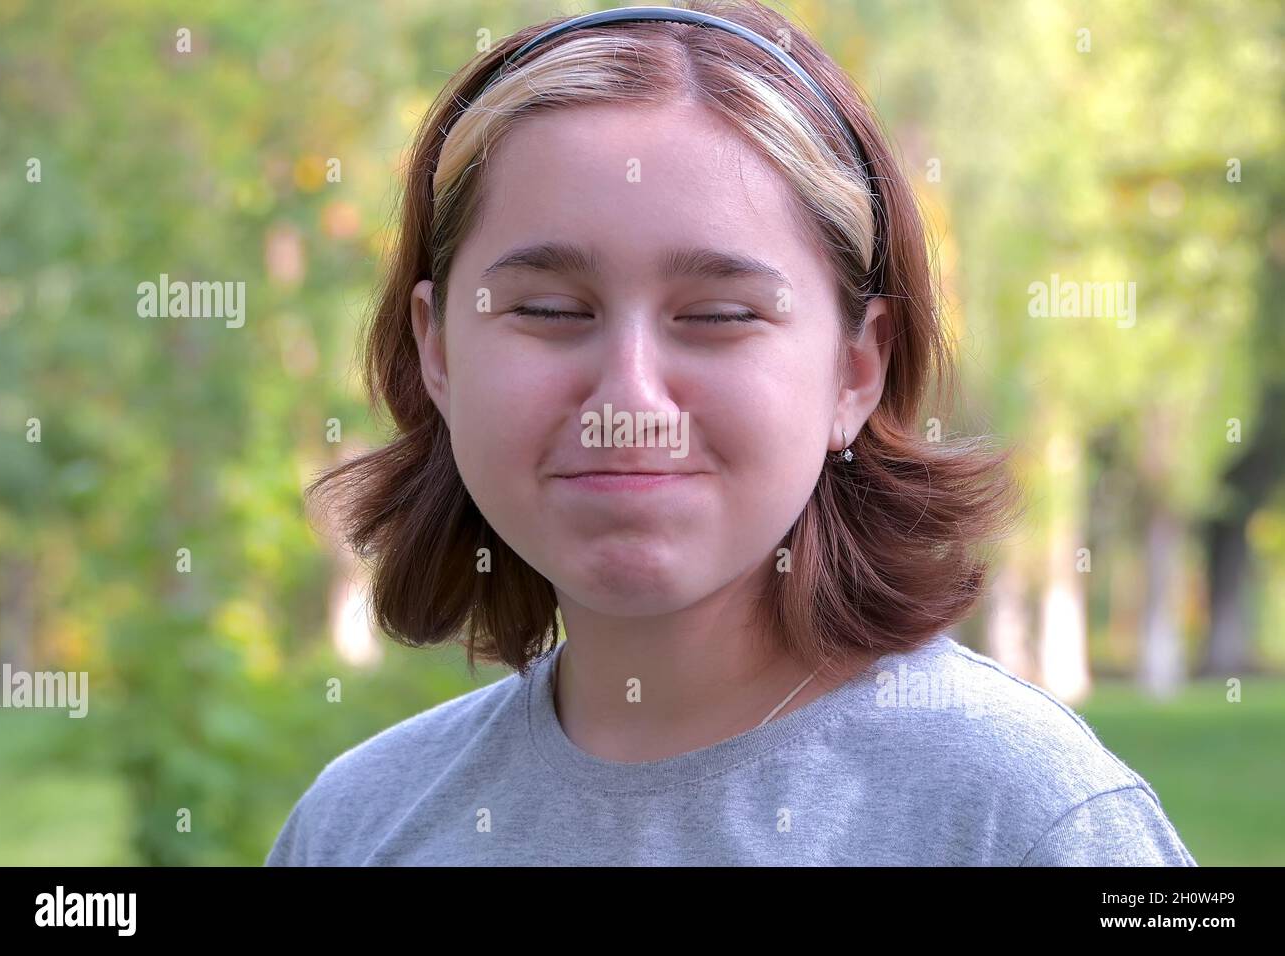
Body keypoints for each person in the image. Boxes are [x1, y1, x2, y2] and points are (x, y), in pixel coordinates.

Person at [266, 0, 1196, 866]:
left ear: (854, 370)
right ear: (439, 353)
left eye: (718, 315)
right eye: (549, 309)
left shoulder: (1025, 822)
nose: (628, 397)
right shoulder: (357, 827)